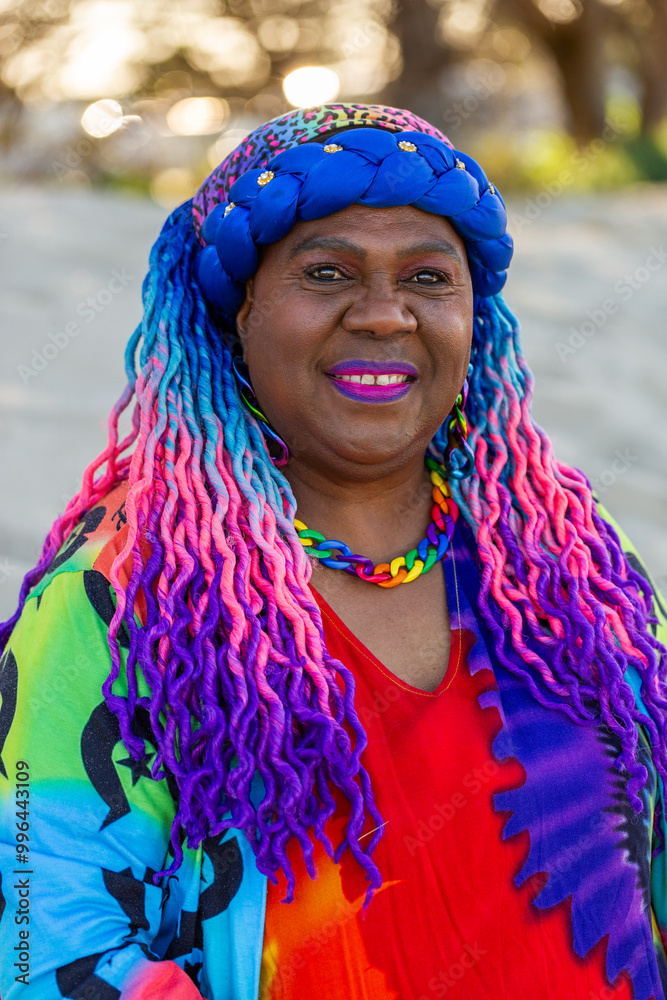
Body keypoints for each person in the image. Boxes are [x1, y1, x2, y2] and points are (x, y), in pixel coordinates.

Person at [1, 102, 667, 1000]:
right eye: (327, 272)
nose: (385, 316)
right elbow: (41, 940)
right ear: (236, 314)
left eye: (429, 279)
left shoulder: (569, 565)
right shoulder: (119, 600)